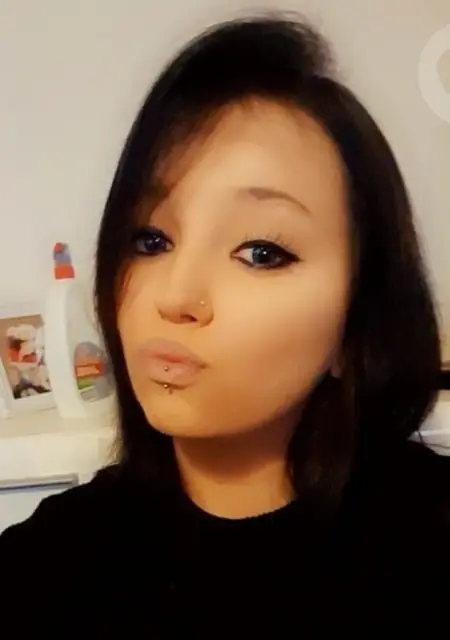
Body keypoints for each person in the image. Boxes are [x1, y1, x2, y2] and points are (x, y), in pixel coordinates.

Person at [1, 14, 449, 637]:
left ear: (356, 322)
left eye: (261, 252)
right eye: (151, 239)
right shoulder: (47, 566)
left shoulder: (430, 539)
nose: (176, 296)